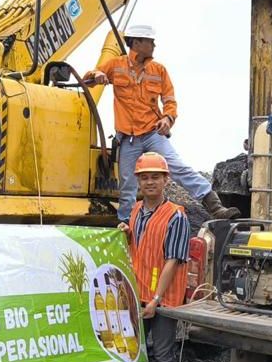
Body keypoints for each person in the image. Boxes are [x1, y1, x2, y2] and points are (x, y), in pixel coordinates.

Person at [82, 25, 238, 223]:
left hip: (152, 133)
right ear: (136, 43)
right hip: (128, 138)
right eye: (150, 41)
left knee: (176, 167)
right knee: (128, 183)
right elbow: (87, 79)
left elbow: (170, 101)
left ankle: (215, 207)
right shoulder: (115, 65)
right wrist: (96, 75)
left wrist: (167, 118)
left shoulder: (159, 70)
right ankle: (126, 225)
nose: (154, 45)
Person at [102, 152, 190, 362]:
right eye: (144, 177)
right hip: (137, 294)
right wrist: (126, 232)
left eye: (155, 176)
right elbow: (140, 248)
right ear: (138, 181)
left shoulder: (176, 216)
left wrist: (156, 299)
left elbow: (172, 260)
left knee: (163, 354)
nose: (149, 181)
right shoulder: (136, 211)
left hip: (162, 299)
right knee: (134, 352)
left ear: (166, 180)